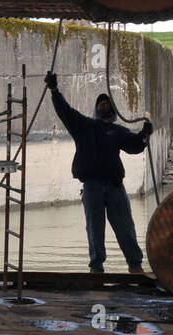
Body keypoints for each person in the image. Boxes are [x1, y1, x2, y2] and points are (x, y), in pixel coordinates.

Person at [45, 72, 152, 275]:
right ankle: (96, 268)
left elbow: (135, 145)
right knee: (95, 229)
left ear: (112, 110)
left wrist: (145, 135)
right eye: (101, 102)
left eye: (107, 102)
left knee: (125, 227)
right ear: (96, 109)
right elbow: (65, 111)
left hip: (114, 187)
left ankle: (135, 265)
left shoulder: (117, 131)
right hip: (92, 186)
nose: (104, 104)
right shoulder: (84, 126)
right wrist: (54, 90)